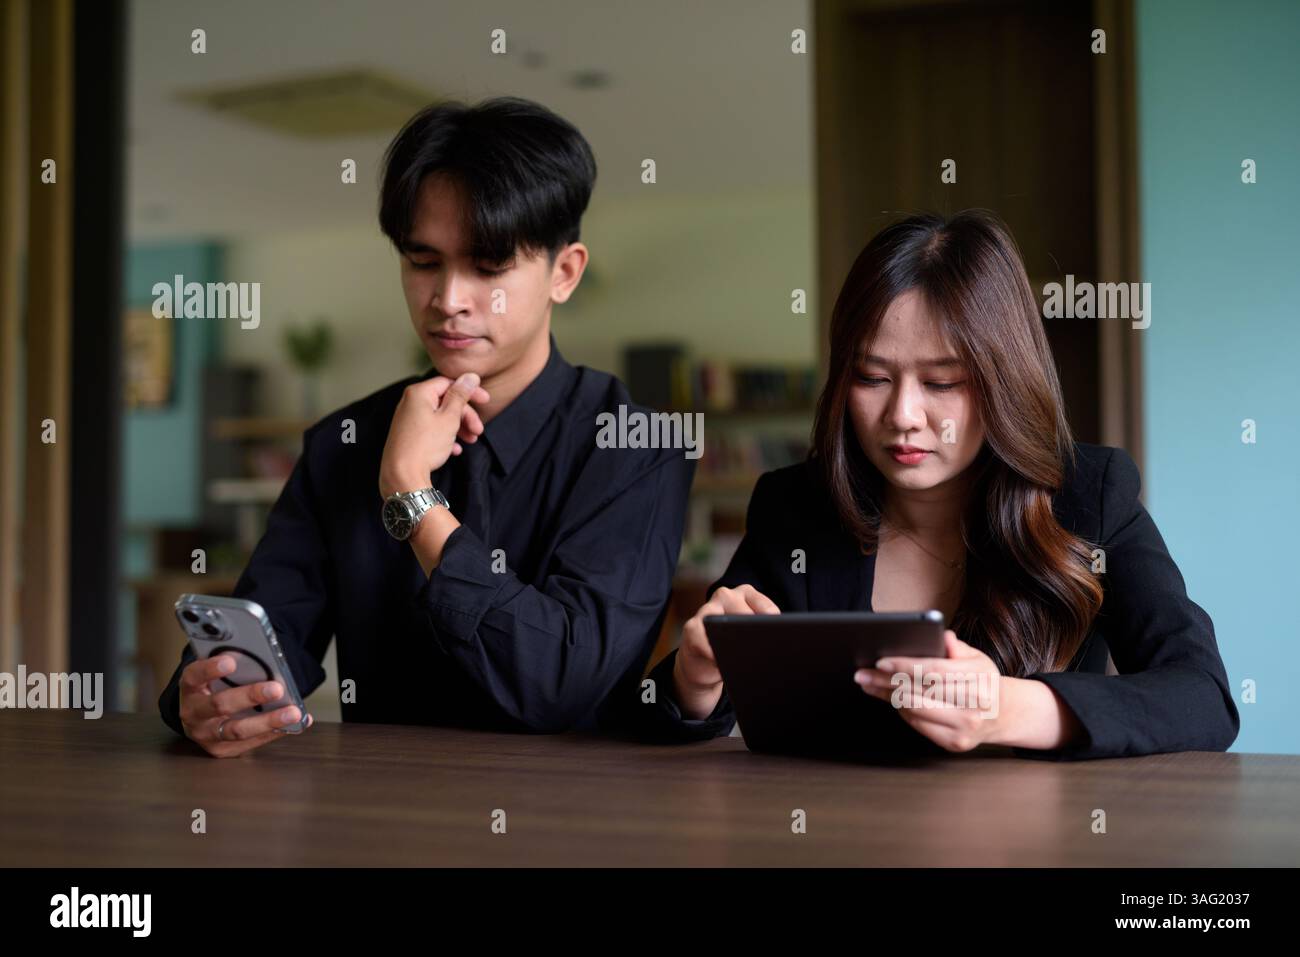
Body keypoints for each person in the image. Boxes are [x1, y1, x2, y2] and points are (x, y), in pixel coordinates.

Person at [159, 97, 696, 756]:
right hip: (379, 824)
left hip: (570, 828)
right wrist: (210, 696)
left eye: (489, 266)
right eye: (423, 262)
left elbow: (559, 684)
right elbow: (273, 642)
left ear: (564, 272)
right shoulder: (343, 443)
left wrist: (410, 491)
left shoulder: (637, 450)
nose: (448, 299)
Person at [650, 209, 1239, 760]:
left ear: (1004, 382)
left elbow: (1202, 695)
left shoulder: (1088, 497)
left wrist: (1007, 709)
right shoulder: (796, 506)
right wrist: (694, 677)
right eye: (872, 376)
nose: (903, 415)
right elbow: (664, 715)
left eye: (942, 383)